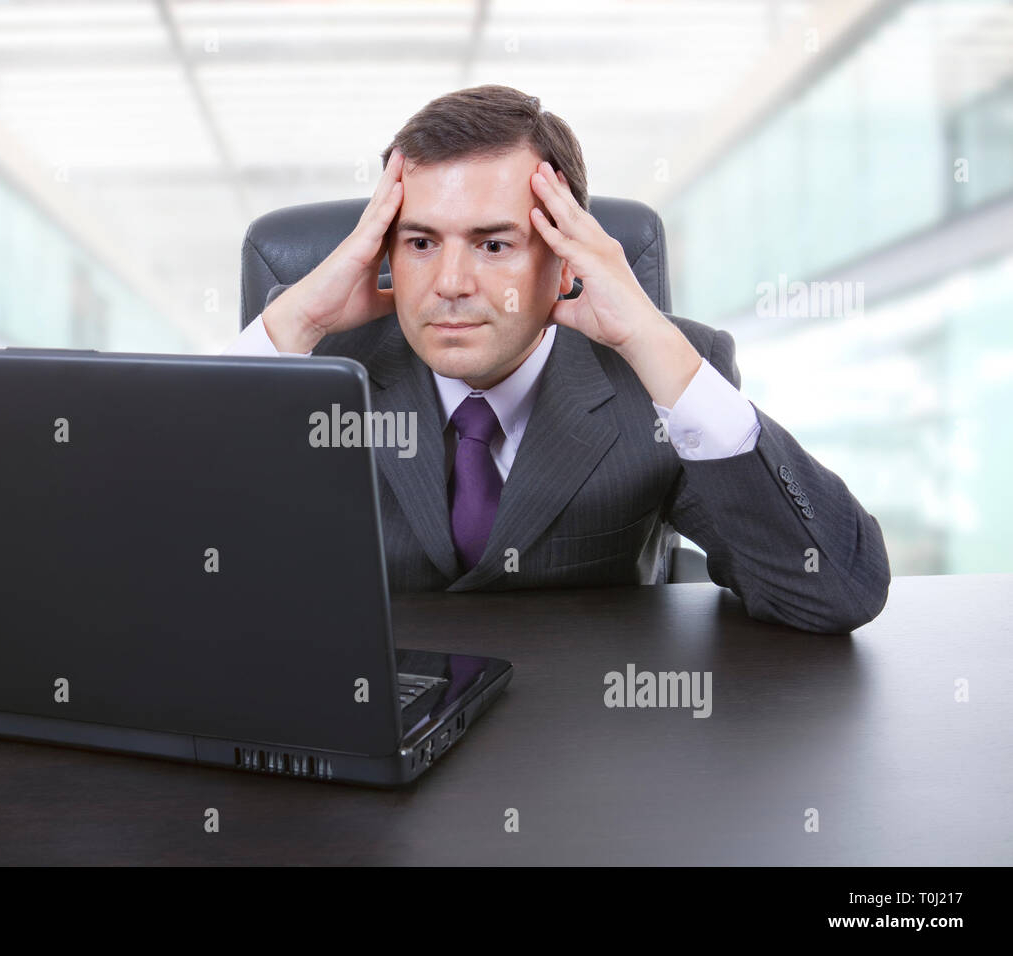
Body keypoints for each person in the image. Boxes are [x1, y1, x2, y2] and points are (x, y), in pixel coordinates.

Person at [224, 85, 890, 634]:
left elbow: (833, 592)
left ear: (565, 260)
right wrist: (297, 321)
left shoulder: (658, 376)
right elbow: (158, 571)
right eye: (421, 242)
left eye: (493, 245)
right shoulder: (314, 367)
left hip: (582, 750)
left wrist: (652, 344)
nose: (451, 282)